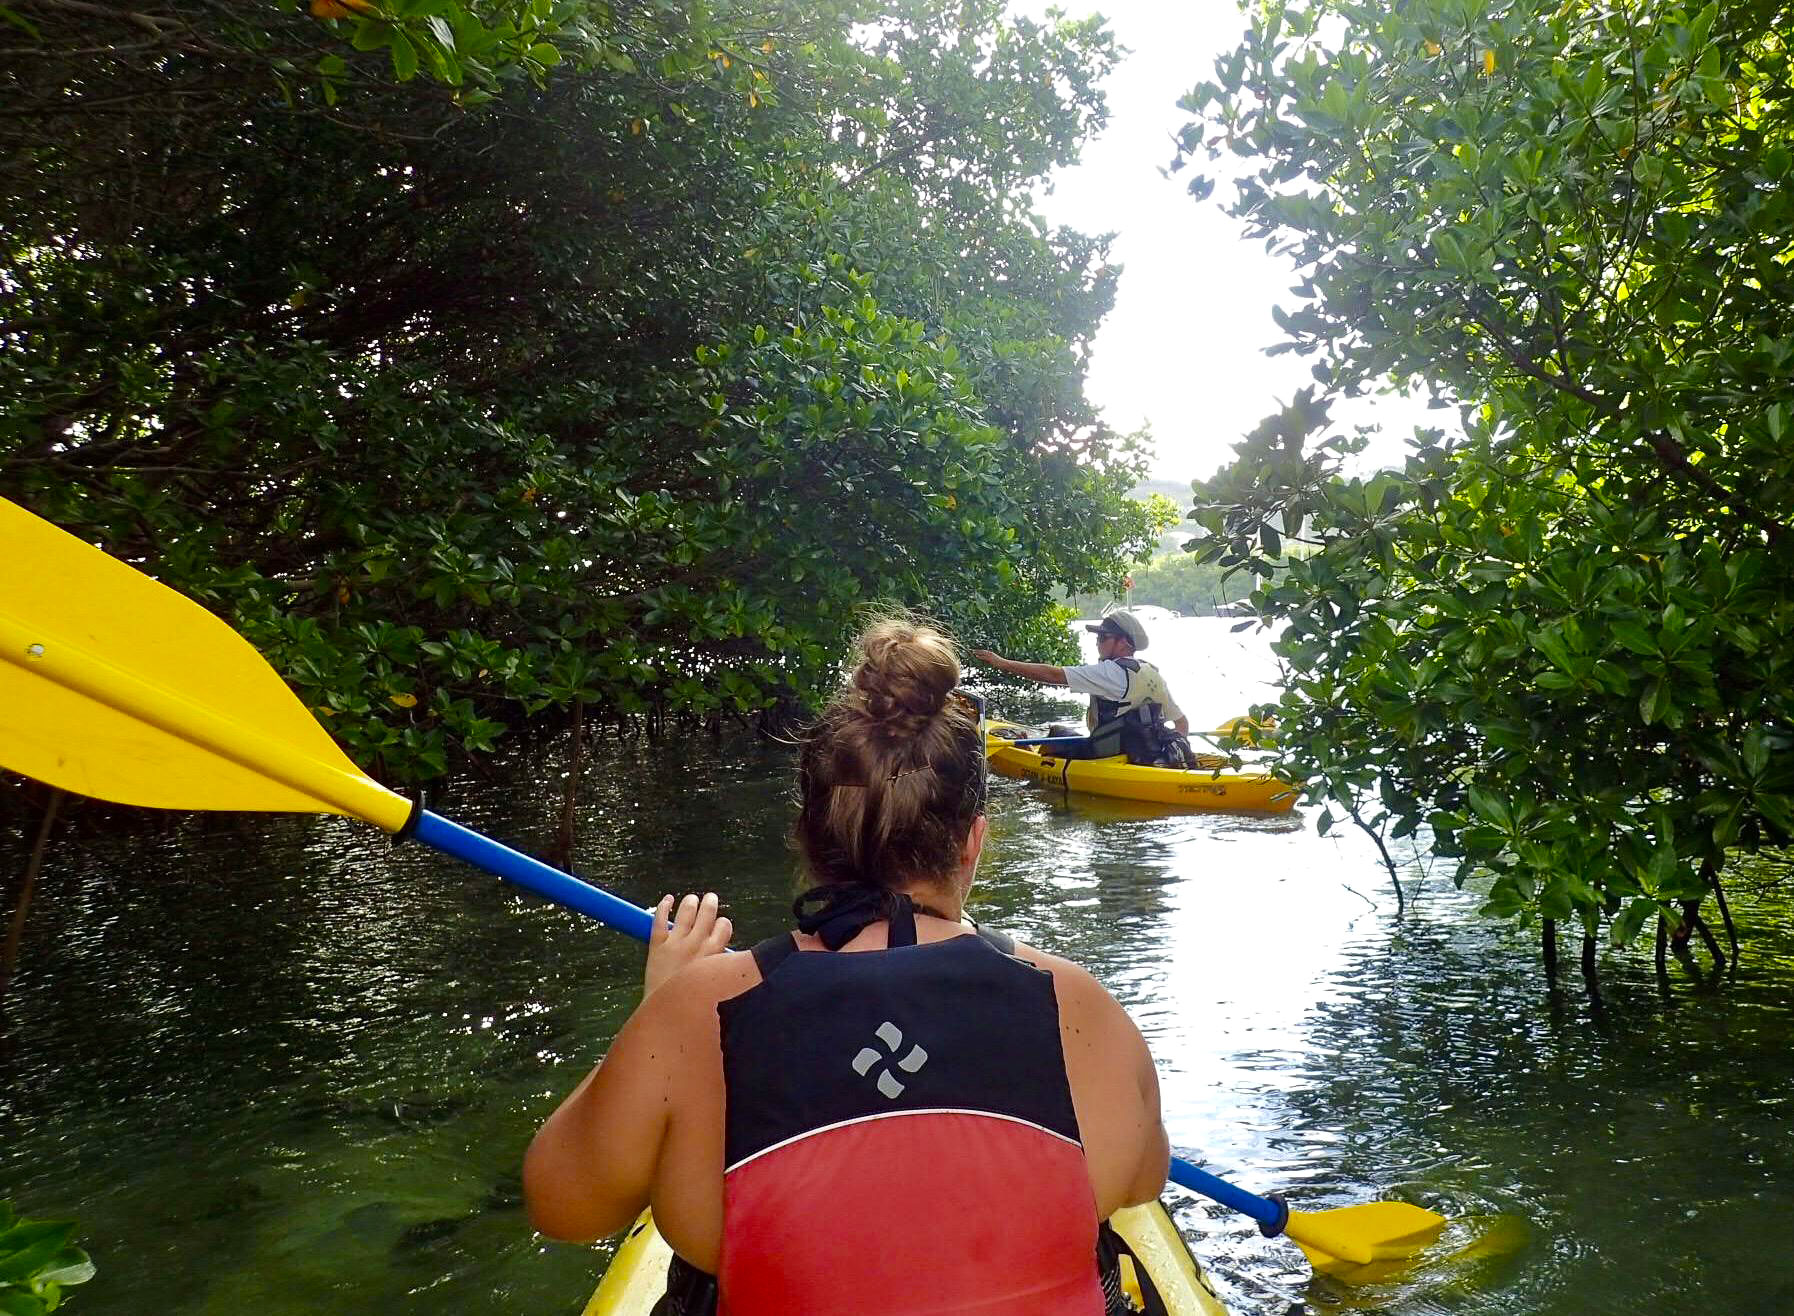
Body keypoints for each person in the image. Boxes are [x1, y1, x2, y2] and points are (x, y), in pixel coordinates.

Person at [524, 617, 1170, 1314]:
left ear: (808, 834)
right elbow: (1140, 1182)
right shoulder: (1079, 1005)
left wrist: (657, 1006)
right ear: (972, 841)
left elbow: (563, 1207)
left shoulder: (700, 1008)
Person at [970, 610, 1188, 755]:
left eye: (1103, 638)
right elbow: (1182, 724)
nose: (1097, 644)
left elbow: (1054, 675)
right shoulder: (1153, 674)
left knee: (1056, 732)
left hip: (1106, 756)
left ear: (1123, 643)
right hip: (1146, 753)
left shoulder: (1110, 672)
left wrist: (1002, 663)